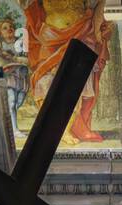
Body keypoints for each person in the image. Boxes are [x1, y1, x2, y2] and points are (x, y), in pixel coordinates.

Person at [20, 0, 113, 144]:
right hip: (49, 40)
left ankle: (65, 129)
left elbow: (97, 13)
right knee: (46, 84)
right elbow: (29, 9)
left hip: (80, 36)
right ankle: (53, 129)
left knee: (74, 87)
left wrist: (103, 32)